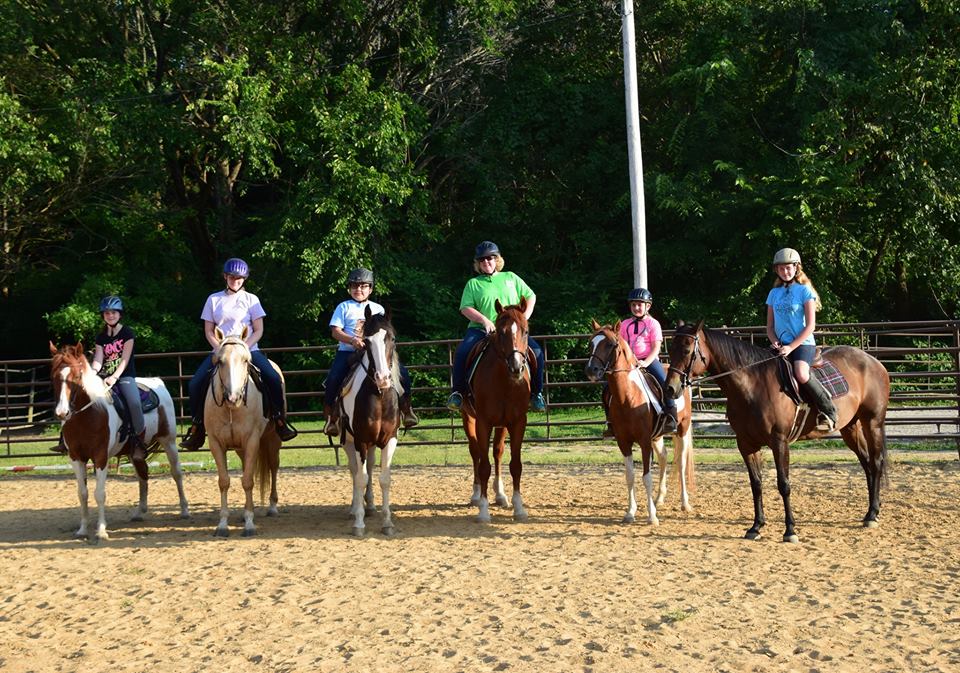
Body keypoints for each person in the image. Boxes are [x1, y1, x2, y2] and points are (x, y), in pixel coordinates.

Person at [180, 258, 298, 450]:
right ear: (225, 277)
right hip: (222, 352)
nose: (236, 280)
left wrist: (245, 347)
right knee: (195, 384)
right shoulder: (213, 299)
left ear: (245, 279)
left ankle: (279, 420)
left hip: (248, 350)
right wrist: (218, 348)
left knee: (273, 378)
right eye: (232, 277)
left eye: (240, 278)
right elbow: (209, 330)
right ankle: (197, 428)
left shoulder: (252, 300)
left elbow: (258, 329)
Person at [446, 241, 546, 412]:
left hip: (512, 331)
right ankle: (458, 393)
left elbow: (531, 296)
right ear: (478, 263)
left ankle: (537, 394)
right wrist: (485, 321)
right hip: (480, 329)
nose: (486, 262)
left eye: (490, 258)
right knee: (462, 351)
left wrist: (524, 319)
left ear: (497, 259)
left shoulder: (511, 277)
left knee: (536, 352)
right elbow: (465, 308)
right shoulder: (473, 284)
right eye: (482, 259)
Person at [323, 268, 420, 436]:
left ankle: (407, 409)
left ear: (371, 289)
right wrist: (353, 340)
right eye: (354, 286)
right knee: (334, 378)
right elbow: (335, 331)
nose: (358, 289)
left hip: (376, 353)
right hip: (348, 352)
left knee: (403, 373)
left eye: (363, 286)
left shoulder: (378, 308)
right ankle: (332, 418)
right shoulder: (343, 307)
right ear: (349, 288)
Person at [766, 247, 838, 432]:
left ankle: (828, 410)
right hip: (780, 345)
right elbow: (770, 326)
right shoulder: (774, 294)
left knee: (801, 373)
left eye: (788, 268)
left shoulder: (805, 291)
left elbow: (810, 326)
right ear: (777, 270)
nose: (785, 272)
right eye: (781, 269)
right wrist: (774, 341)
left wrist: (790, 347)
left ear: (796, 268)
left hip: (802, 344)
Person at [613, 287, 677, 434]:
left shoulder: (653, 324)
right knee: (609, 385)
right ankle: (611, 421)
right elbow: (621, 345)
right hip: (629, 362)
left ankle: (671, 416)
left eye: (639, 304)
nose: (636, 308)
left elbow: (656, 347)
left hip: (649, 360)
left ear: (647, 306)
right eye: (633, 305)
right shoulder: (624, 324)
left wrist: (646, 362)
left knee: (664, 382)